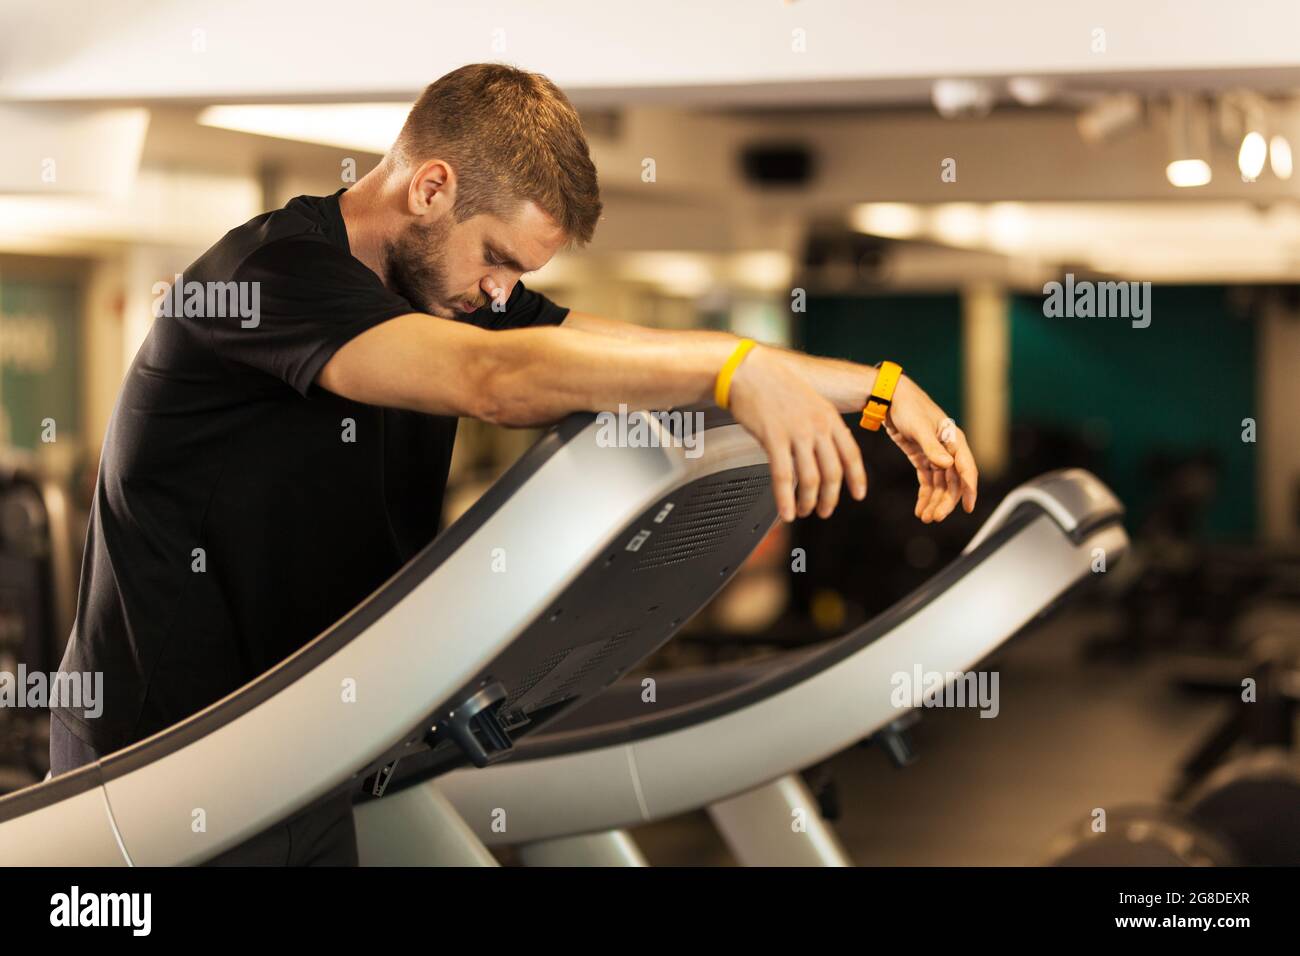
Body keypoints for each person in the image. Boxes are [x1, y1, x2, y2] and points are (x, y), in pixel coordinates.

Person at [50, 63, 977, 864]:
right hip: (159, 773)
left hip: (301, 752)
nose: (503, 293)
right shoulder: (265, 278)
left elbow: (628, 352)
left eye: (519, 278)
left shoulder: (461, 298)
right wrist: (736, 371)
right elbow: (493, 380)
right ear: (429, 188)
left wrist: (872, 388)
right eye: (496, 259)